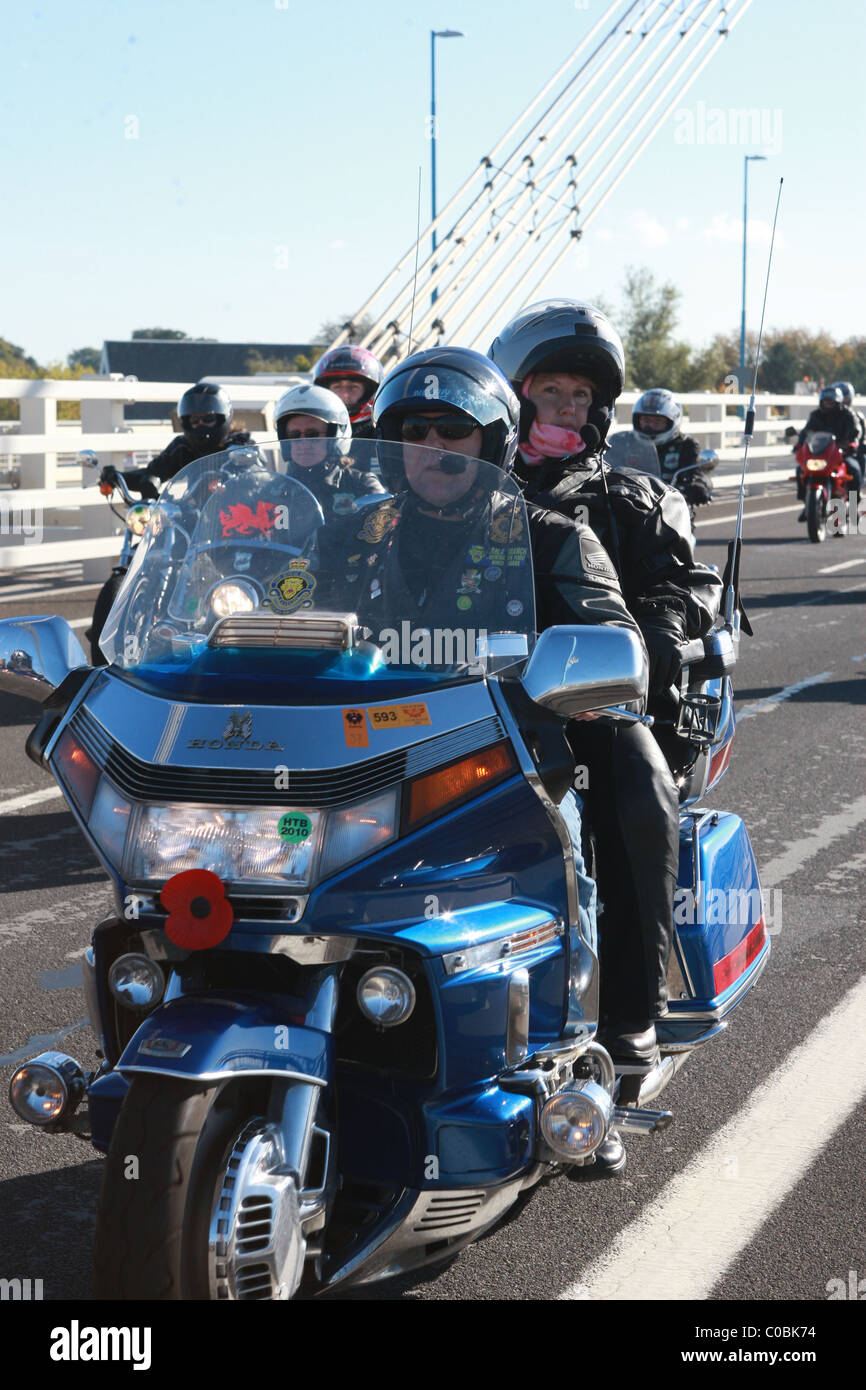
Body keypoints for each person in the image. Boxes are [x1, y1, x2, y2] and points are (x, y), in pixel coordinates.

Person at [488, 299, 724, 1073]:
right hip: (473, 702)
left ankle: (630, 1011)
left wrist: (648, 651)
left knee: (635, 779)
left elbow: (687, 586)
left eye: (580, 396)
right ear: (514, 394)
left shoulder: (635, 496)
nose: (567, 407)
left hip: (594, 703)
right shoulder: (460, 488)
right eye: (551, 390)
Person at [100, 382, 249, 500]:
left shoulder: (239, 446)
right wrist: (119, 478)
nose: (201, 425)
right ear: (186, 422)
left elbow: (257, 481)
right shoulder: (183, 447)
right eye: (195, 420)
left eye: (208, 419)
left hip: (234, 520)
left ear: (223, 418)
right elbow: (153, 472)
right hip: (194, 523)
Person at [273, 382, 385, 515]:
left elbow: (382, 526)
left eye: (312, 435)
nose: (303, 443)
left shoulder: (363, 486)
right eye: (294, 435)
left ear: (335, 436)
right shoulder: (273, 491)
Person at [632, 388, 714, 511]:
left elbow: (698, 474)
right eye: (646, 420)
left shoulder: (686, 445)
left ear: (672, 421)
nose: (650, 426)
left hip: (672, 512)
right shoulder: (628, 442)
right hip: (630, 506)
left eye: (657, 421)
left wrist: (699, 486)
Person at [794, 385, 862, 518]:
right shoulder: (815, 415)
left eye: (831, 402)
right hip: (820, 453)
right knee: (800, 470)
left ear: (838, 402)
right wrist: (799, 445)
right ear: (821, 402)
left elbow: (856, 430)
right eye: (825, 401)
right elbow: (806, 432)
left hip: (841, 451)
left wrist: (853, 443)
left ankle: (854, 504)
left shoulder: (847, 414)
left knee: (854, 469)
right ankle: (808, 503)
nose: (828, 404)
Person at [313, 344, 384, 439]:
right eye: (337, 387)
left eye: (354, 387)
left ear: (370, 391)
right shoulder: (312, 431)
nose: (345, 394)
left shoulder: (384, 431)